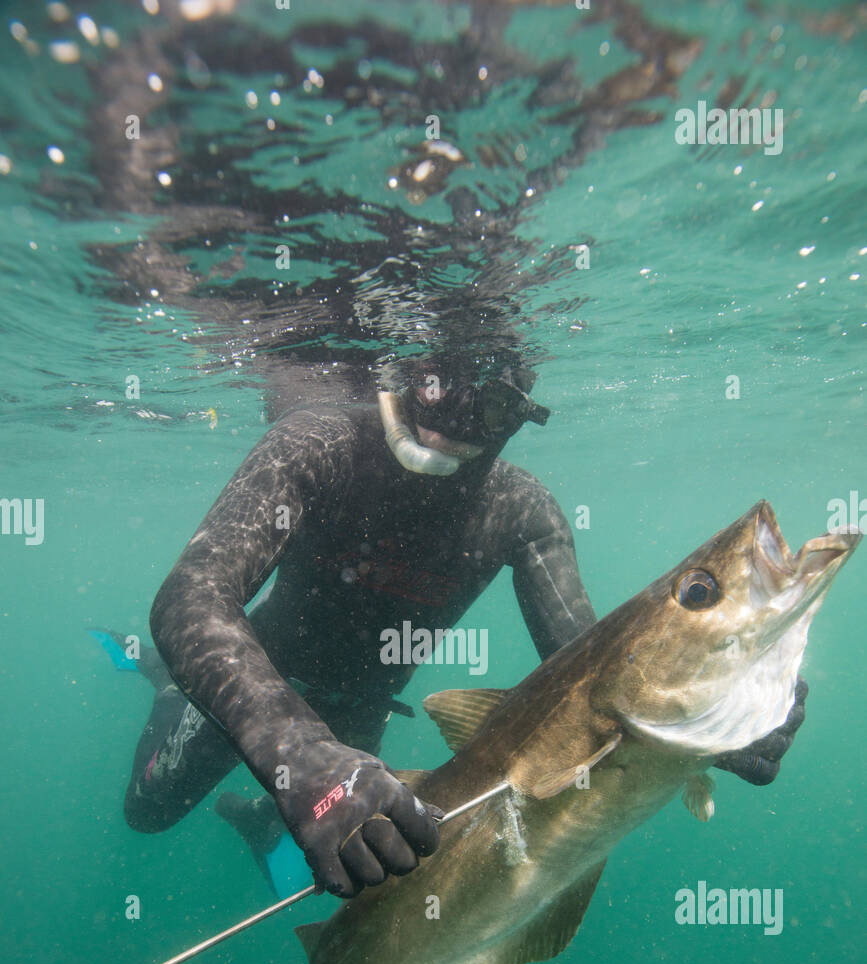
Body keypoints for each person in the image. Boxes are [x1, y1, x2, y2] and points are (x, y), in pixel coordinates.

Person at [115, 354, 806, 899]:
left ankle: (257, 818)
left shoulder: (523, 511)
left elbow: (586, 669)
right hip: (254, 683)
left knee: (361, 866)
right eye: (437, 385)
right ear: (411, 375)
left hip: (359, 712)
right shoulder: (317, 442)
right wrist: (299, 754)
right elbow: (191, 598)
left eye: (492, 402)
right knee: (145, 815)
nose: (447, 419)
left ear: (518, 417)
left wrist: (711, 721)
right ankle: (170, 689)